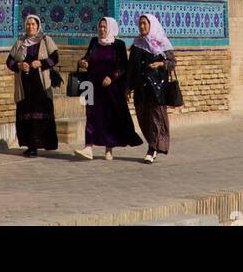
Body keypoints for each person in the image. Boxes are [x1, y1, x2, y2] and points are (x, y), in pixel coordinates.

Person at [73, 16, 142, 160]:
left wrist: (112, 77)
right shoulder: (94, 42)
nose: (102, 30)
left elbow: (123, 66)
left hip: (110, 87)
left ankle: (109, 148)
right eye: (100, 27)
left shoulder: (118, 45)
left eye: (104, 27)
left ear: (110, 28)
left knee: (108, 116)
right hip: (92, 85)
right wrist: (83, 62)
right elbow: (87, 57)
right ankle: (88, 147)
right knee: (91, 114)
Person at [6, 14, 60, 157]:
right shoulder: (20, 42)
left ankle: (41, 143)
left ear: (38, 26)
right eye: (28, 24)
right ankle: (31, 146)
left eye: (33, 24)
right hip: (24, 87)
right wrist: (19, 65)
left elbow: (55, 58)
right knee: (26, 116)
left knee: (40, 116)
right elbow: (9, 62)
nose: (30, 27)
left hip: (41, 85)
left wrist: (41, 63)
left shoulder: (45, 40)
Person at [126, 12, 176, 163]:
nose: (141, 26)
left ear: (151, 25)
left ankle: (152, 148)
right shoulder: (137, 44)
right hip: (141, 89)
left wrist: (160, 64)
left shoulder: (162, 43)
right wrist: (128, 87)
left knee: (156, 119)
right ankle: (153, 144)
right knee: (143, 118)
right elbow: (131, 68)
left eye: (144, 24)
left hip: (157, 89)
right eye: (140, 24)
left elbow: (172, 62)